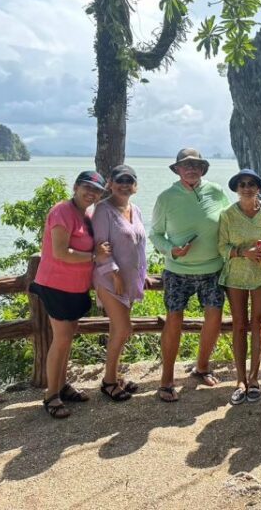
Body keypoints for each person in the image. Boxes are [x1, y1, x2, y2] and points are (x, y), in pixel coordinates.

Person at [150, 148, 231, 402]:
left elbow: (231, 220)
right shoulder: (166, 198)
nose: (191, 169)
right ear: (177, 169)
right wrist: (171, 250)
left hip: (213, 269)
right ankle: (166, 379)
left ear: (203, 169)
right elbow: (155, 234)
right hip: (177, 271)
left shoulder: (216, 191)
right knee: (174, 320)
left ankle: (202, 367)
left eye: (196, 165)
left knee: (214, 318)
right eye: (186, 165)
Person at [28, 170, 109, 418]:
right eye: (87, 187)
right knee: (62, 338)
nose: (91, 193)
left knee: (67, 336)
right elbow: (61, 252)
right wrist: (95, 256)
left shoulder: (87, 214)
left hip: (76, 286)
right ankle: (51, 395)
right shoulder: (62, 211)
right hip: (56, 285)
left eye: (96, 190)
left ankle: (61, 385)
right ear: (75, 187)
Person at [218, 169, 261, 405]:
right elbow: (221, 247)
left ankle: (254, 379)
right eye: (242, 184)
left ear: (258, 188)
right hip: (236, 275)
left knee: (259, 322)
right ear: (236, 188)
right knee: (239, 325)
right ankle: (240, 381)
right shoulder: (227, 215)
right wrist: (244, 252)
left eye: (251, 184)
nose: (246, 188)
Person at [92, 164, 147, 402]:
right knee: (124, 329)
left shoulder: (136, 209)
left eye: (129, 181)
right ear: (110, 184)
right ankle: (108, 382)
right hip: (110, 280)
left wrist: (142, 276)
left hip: (130, 281)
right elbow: (100, 247)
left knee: (118, 331)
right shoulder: (102, 210)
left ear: (135, 186)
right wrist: (114, 274)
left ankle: (114, 376)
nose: (125, 185)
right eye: (120, 180)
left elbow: (140, 247)